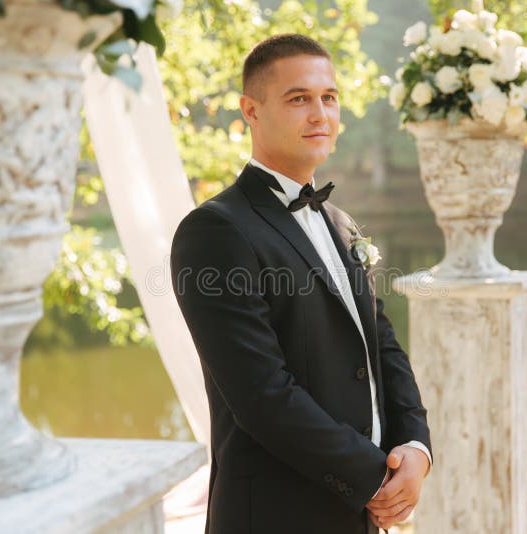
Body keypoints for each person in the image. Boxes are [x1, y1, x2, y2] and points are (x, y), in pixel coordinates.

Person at [170, 33, 433, 534]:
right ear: (251, 110)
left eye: (328, 98)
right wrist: (374, 478)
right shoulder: (215, 231)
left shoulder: (340, 223)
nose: (320, 114)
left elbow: (382, 347)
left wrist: (415, 447)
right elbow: (263, 395)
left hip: (359, 514)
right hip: (277, 515)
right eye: (298, 99)